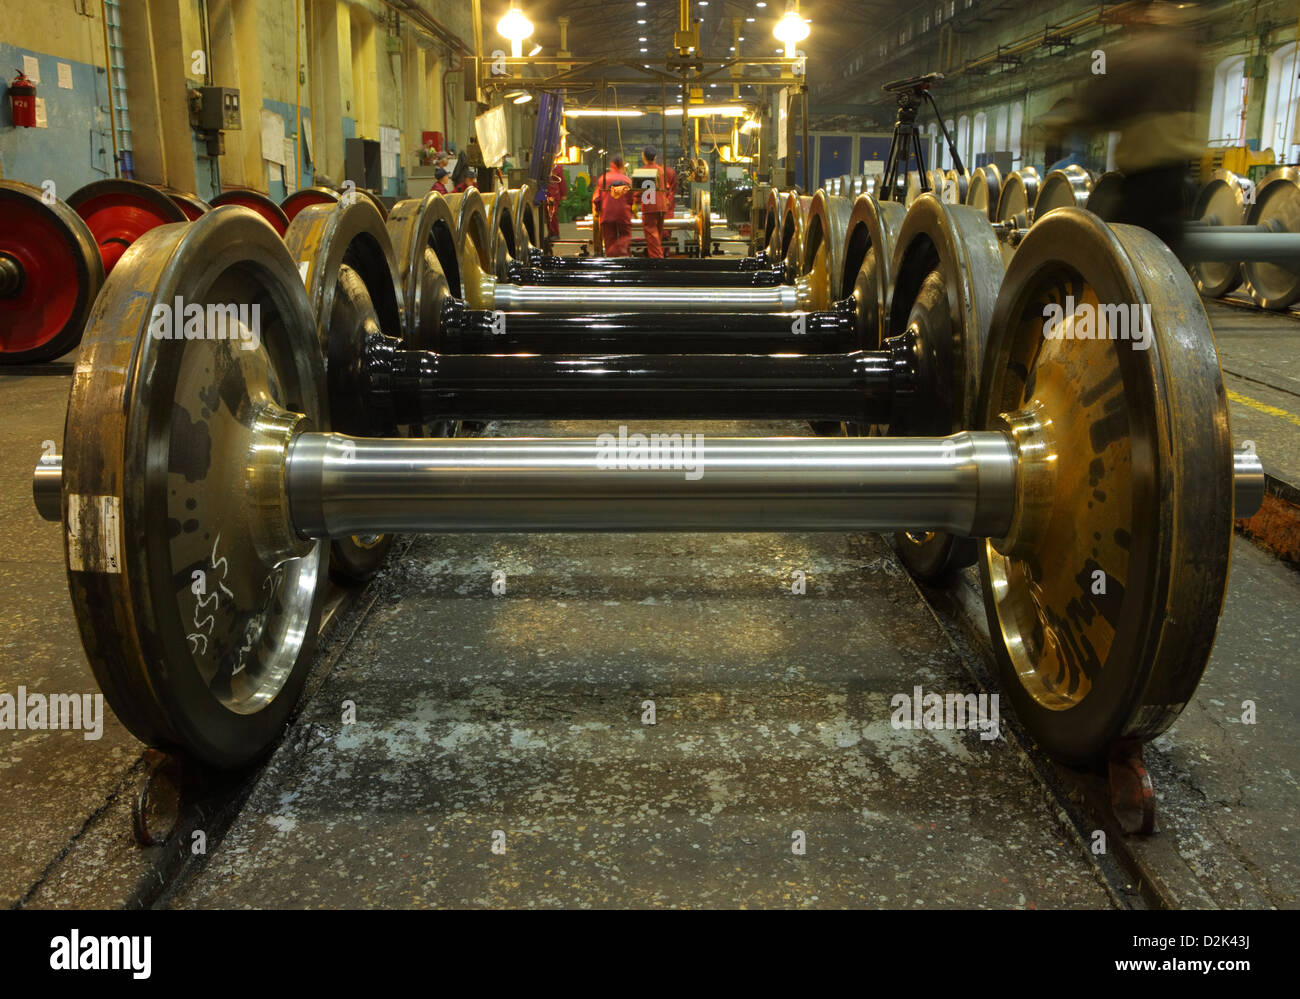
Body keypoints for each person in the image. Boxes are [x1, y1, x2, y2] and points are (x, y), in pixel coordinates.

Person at [592, 155, 633, 257]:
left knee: (609, 241)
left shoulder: (603, 179)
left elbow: (596, 199)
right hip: (623, 215)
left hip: (607, 214)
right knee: (626, 237)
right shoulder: (627, 180)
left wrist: (598, 211)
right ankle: (621, 253)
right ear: (622, 165)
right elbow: (632, 199)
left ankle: (611, 257)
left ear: (611, 165)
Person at [636, 146, 668, 259]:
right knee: (657, 238)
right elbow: (665, 188)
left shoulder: (643, 171)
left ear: (643, 157)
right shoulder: (661, 170)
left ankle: (658, 263)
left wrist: (634, 203)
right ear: (655, 157)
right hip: (661, 207)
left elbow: (639, 191)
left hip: (649, 207)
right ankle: (658, 258)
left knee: (652, 239)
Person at [546, 163, 567, 242]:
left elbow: (562, 182)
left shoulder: (557, 168)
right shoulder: (544, 167)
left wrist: (564, 194)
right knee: (548, 215)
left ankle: (555, 233)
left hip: (553, 194)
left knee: (552, 214)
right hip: (547, 193)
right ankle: (551, 233)